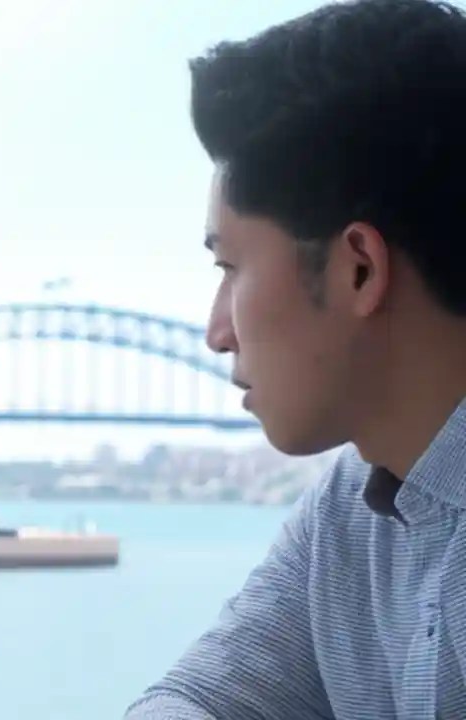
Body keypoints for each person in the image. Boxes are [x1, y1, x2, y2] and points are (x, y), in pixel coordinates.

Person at [124, 1, 466, 717]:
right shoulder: (356, 505)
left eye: (230, 268)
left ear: (358, 270)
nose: (217, 332)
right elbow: (206, 697)